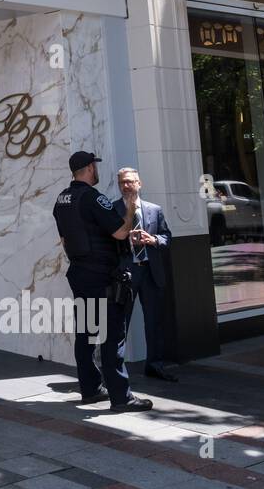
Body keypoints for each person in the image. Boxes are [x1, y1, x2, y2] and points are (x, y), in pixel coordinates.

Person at [52, 151, 152, 412]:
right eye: (94, 167)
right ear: (87, 169)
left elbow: (64, 242)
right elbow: (120, 232)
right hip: (102, 278)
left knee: (86, 335)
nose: (96, 171)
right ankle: (121, 398)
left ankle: (91, 389)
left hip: (80, 275)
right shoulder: (93, 197)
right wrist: (130, 208)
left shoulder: (62, 200)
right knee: (112, 337)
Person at [116, 168, 177, 382]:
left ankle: (155, 365)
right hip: (127, 273)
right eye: (122, 182)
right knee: (120, 323)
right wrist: (126, 240)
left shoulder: (154, 210)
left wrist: (153, 240)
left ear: (139, 183)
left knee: (154, 321)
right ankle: (116, 371)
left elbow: (167, 237)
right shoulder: (113, 209)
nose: (126, 186)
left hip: (151, 271)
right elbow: (107, 242)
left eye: (130, 182)